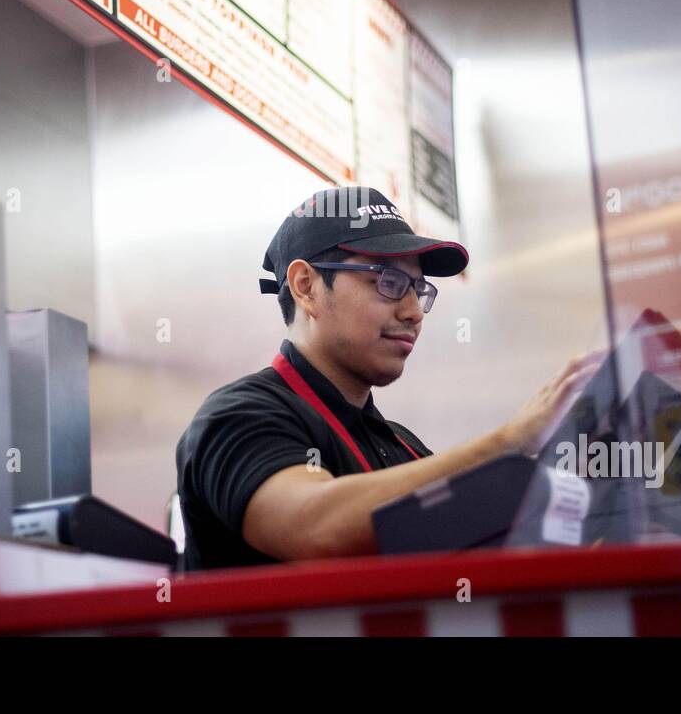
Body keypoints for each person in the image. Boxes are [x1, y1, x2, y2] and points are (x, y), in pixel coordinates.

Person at [174, 186, 603, 570]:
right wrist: (509, 441)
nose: (413, 312)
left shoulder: (405, 449)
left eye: (418, 289)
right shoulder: (239, 415)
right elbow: (313, 527)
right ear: (306, 286)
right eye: (388, 281)